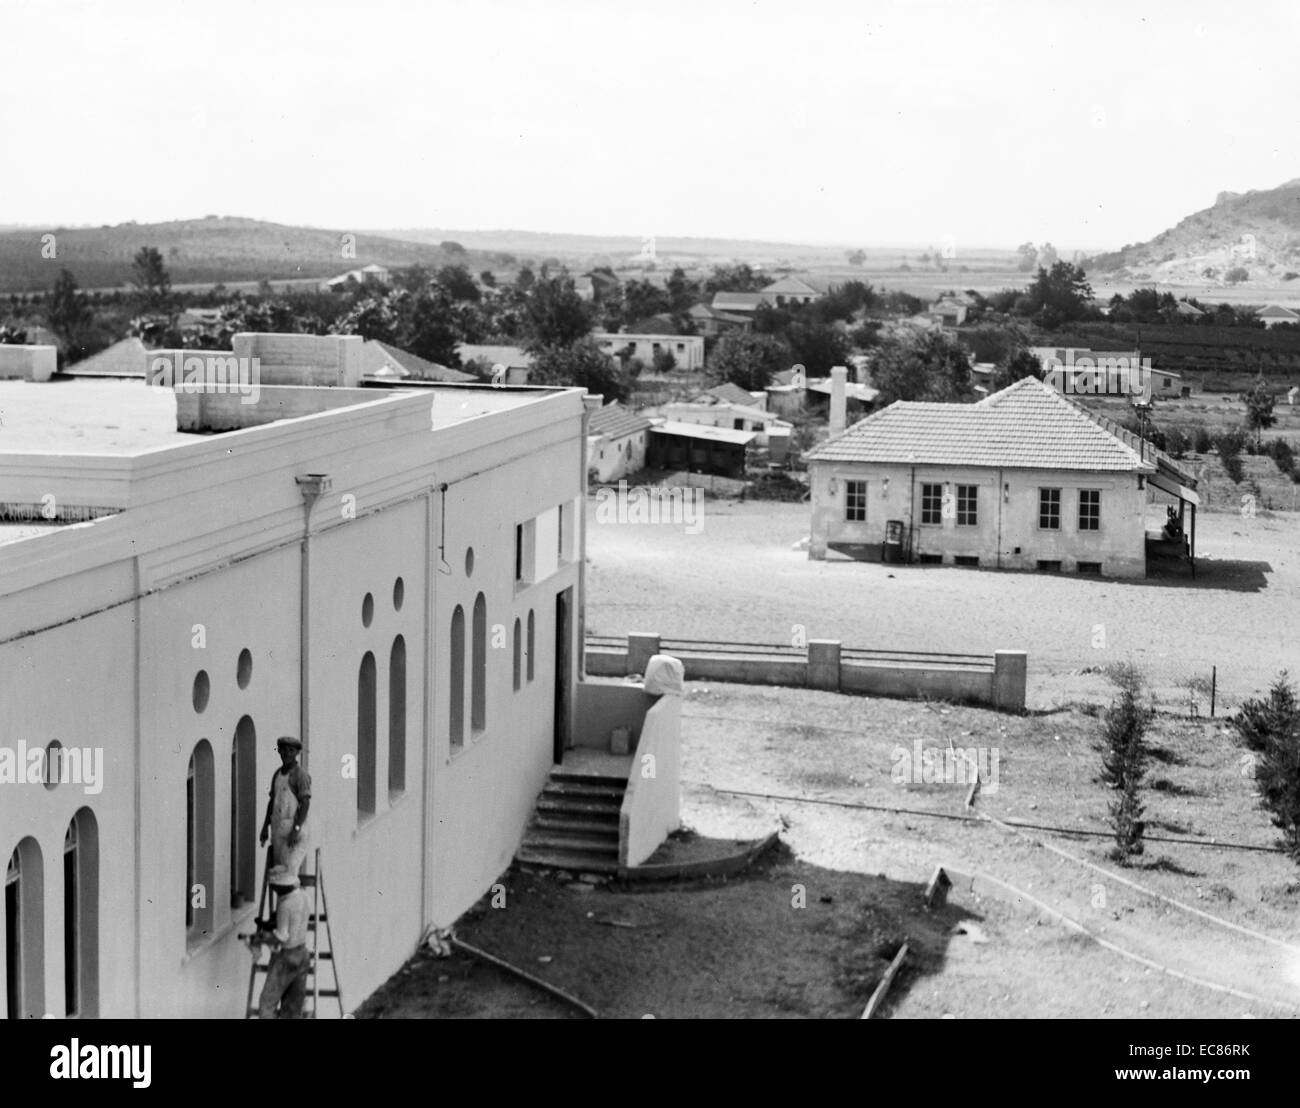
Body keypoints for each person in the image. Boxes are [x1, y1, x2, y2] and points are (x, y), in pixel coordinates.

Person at [254, 864, 311, 1019]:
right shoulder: (305, 896)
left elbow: (282, 936)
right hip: (303, 954)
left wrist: (264, 938)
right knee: (293, 1009)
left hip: (287, 957)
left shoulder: (285, 905)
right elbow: (295, 923)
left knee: (267, 1003)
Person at [260, 736, 311, 877]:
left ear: (297, 753)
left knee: (289, 870)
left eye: (291, 750)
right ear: (279, 751)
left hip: (295, 833)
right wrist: (265, 827)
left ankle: (295, 899)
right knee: (278, 874)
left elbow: (305, 803)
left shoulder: (300, 775)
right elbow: (272, 802)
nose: (287, 754)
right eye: (283, 750)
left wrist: (296, 829)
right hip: (278, 832)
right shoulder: (277, 774)